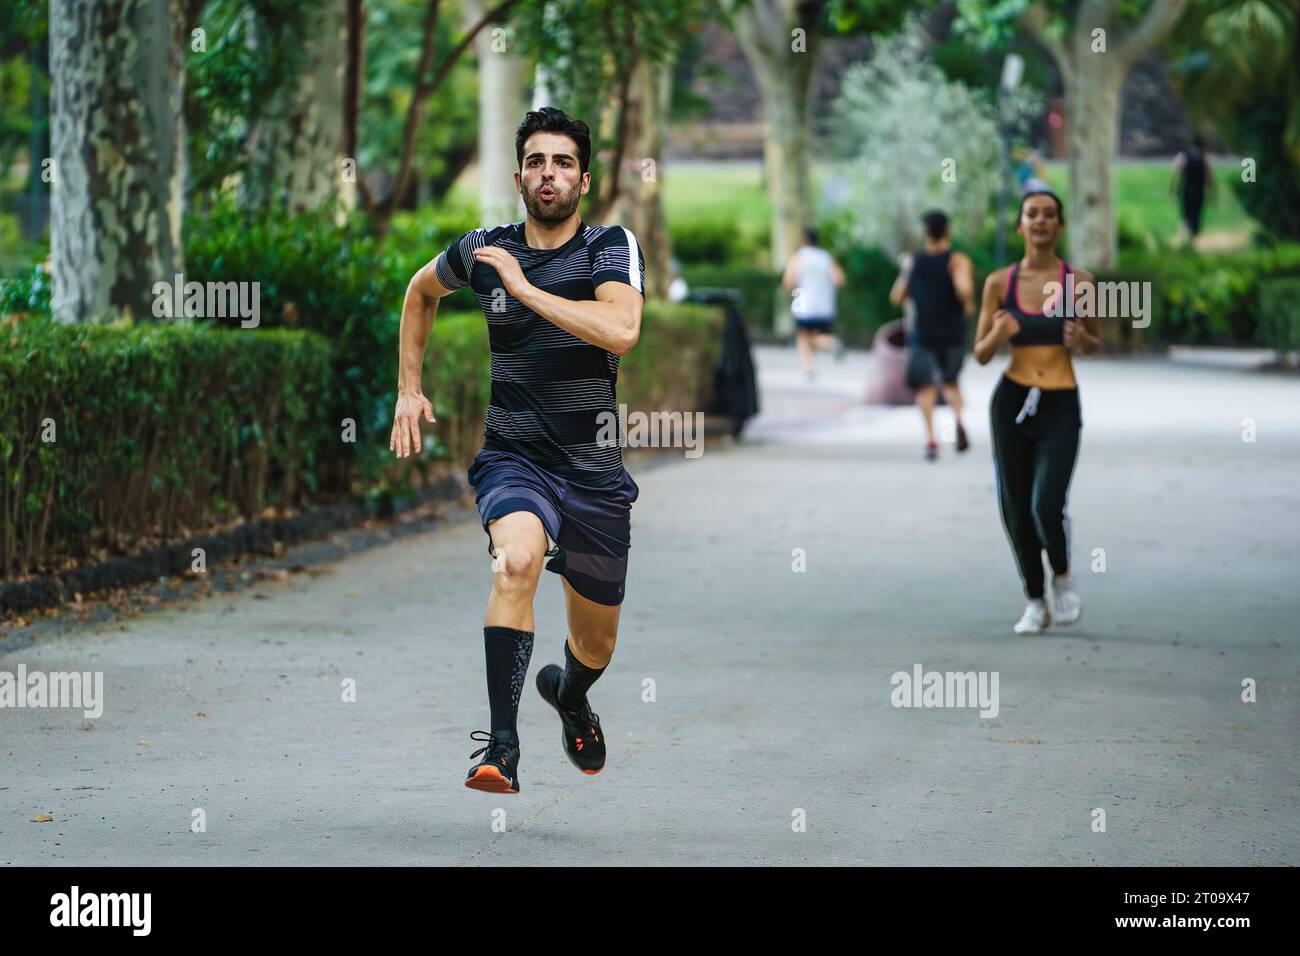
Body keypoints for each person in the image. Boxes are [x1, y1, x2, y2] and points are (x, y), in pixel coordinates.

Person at [389, 107, 646, 793]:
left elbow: (621, 330)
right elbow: (419, 293)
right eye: (536, 161)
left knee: (596, 645)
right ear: (518, 175)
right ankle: (500, 748)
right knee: (517, 561)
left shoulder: (608, 248)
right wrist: (407, 389)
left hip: (592, 473)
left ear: (584, 179)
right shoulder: (484, 250)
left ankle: (569, 693)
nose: (548, 173)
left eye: (562, 162)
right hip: (516, 459)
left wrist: (527, 290)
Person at [972, 189, 1101, 635]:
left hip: (1061, 402)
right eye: (1032, 214)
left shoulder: (1079, 281)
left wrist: (1080, 340)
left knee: (1046, 504)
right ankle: (1034, 598)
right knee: (1014, 507)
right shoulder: (998, 283)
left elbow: (1096, 343)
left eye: (1049, 215)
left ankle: (1062, 577)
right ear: (1020, 226)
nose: (1040, 221)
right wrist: (999, 332)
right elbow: (981, 354)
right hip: (1011, 401)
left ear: (1060, 226)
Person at [890, 210, 975, 460]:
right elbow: (965, 292)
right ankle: (958, 420)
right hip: (953, 331)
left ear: (925, 232)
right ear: (947, 231)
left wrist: (909, 272)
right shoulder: (957, 261)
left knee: (924, 387)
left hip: (923, 332)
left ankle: (931, 440)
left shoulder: (915, 262)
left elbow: (896, 297)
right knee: (951, 382)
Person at [782, 228, 846, 380]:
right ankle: (829, 344)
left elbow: (788, 281)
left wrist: (793, 289)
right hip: (825, 306)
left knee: (803, 337)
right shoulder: (826, 258)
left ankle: (810, 366)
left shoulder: (799, 257)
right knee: (817, 336)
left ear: (803, 240)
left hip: (804, 304)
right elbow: (839, 280)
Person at [1171, 134, 1212, 243]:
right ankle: (1193, 236)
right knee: (1197, 214)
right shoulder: (1204, 157)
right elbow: (1208, 177)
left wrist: (1173, 192)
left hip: (1187, 190)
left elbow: (1177, 174)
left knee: (1187, 214)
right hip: (1199, 190)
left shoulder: (1184, 156)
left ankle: (1188, 236)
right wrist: (1212, 192)